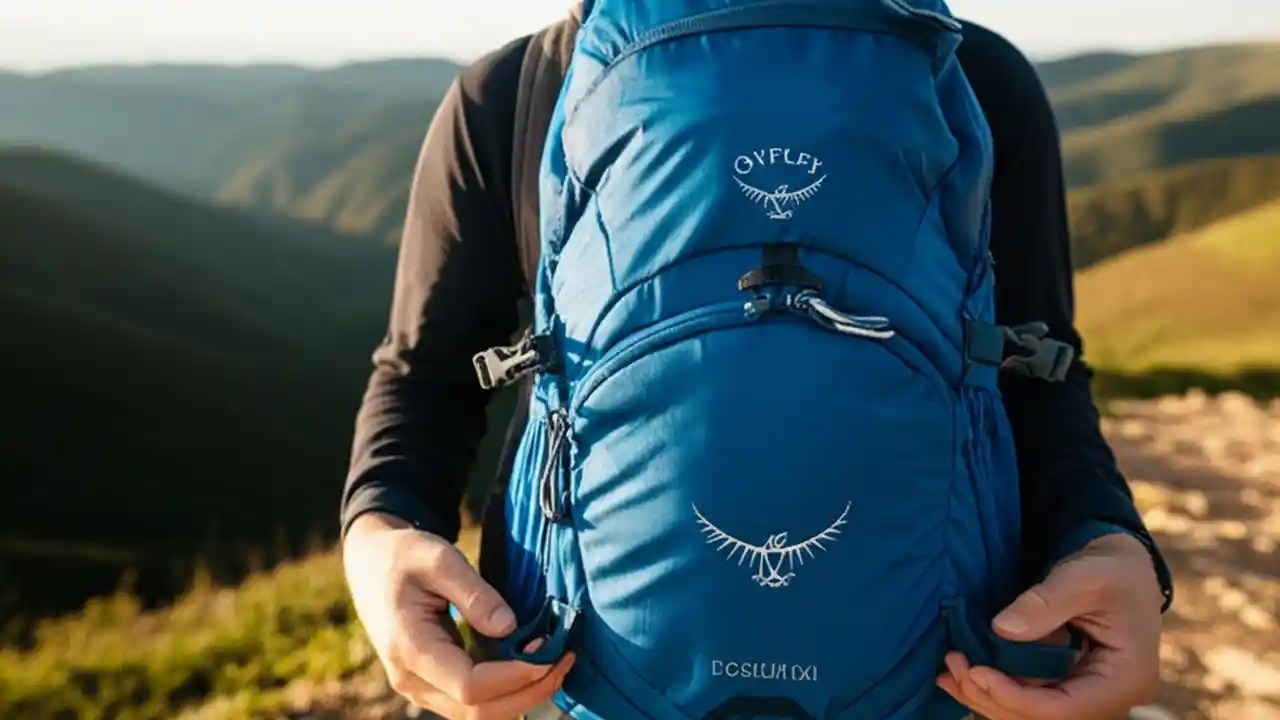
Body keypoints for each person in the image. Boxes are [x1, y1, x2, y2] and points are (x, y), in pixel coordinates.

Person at [341, 5, 1173, 719]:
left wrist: (379, 523)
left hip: (582, 677)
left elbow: (424, 376)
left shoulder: (521, 91)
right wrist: (1105, 533)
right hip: (935, 675)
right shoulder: (972, 78)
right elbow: (1041, 371)